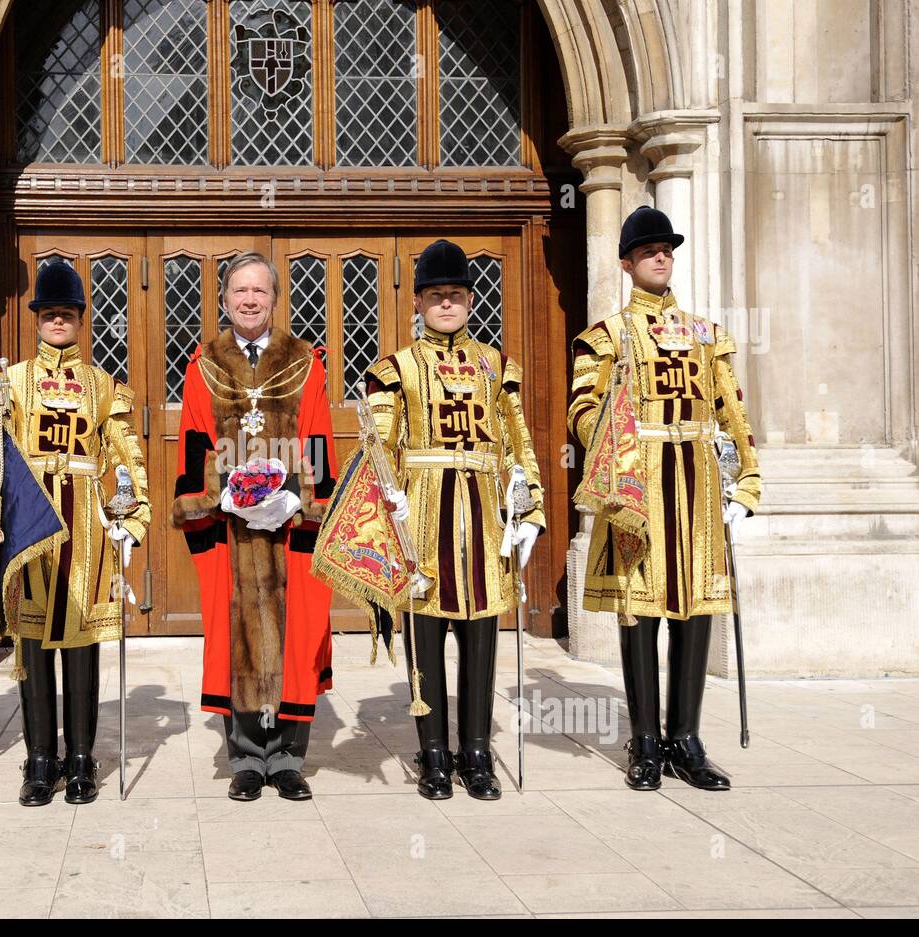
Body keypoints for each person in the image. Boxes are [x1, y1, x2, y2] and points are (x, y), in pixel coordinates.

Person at [568, 206, 761, 791]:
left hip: (699, 486)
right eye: (648, 249)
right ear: (626, 263)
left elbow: (732, 411)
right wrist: (615, 439)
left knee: (698, 607)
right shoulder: (606, 336)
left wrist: (744, 480)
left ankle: (687, 738)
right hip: (640, 483)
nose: (660, 256)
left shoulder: (707, 334)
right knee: (642, 608)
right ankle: (646, 741)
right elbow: (580, 411)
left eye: (667, 249)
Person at [364, 239, 544, 800]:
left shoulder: (497, 367)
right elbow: (377, 446)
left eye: (456, 295)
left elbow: (519, 443)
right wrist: (386, 503)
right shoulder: (395, 369)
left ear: (471, 299)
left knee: (481, 634)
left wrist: (529, 502)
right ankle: (434, 753)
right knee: (426, 634)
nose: (447, 304)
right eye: (436, 295)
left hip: (485, 516)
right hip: (422, 511)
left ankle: (476, 752)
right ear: (417, 302)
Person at [0, 260, 150, 805]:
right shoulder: (10, 382)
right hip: (29, 524)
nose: (57, 320)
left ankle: (80, 758)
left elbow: (127, 456)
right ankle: (37, 760)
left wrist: (134, 513)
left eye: (66, 313)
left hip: (87, 527)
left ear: (80, 319)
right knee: (31, 643)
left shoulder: (103, 386)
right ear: (36, 320)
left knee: (81, 642)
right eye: (48, 313)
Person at [171, 251, 337, 802]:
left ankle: (288, 759)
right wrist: (219, 495)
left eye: (259, 292)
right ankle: (245, 759)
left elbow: (316, 440)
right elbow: (195, 441)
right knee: (232, 632)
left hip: (289, 524)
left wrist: (297, 501)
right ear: (224, 300)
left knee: (299, 633)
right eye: (240, 291)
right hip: (231, 525)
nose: (249, 300)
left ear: (274, 299)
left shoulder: (304, 363)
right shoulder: (205, 366)